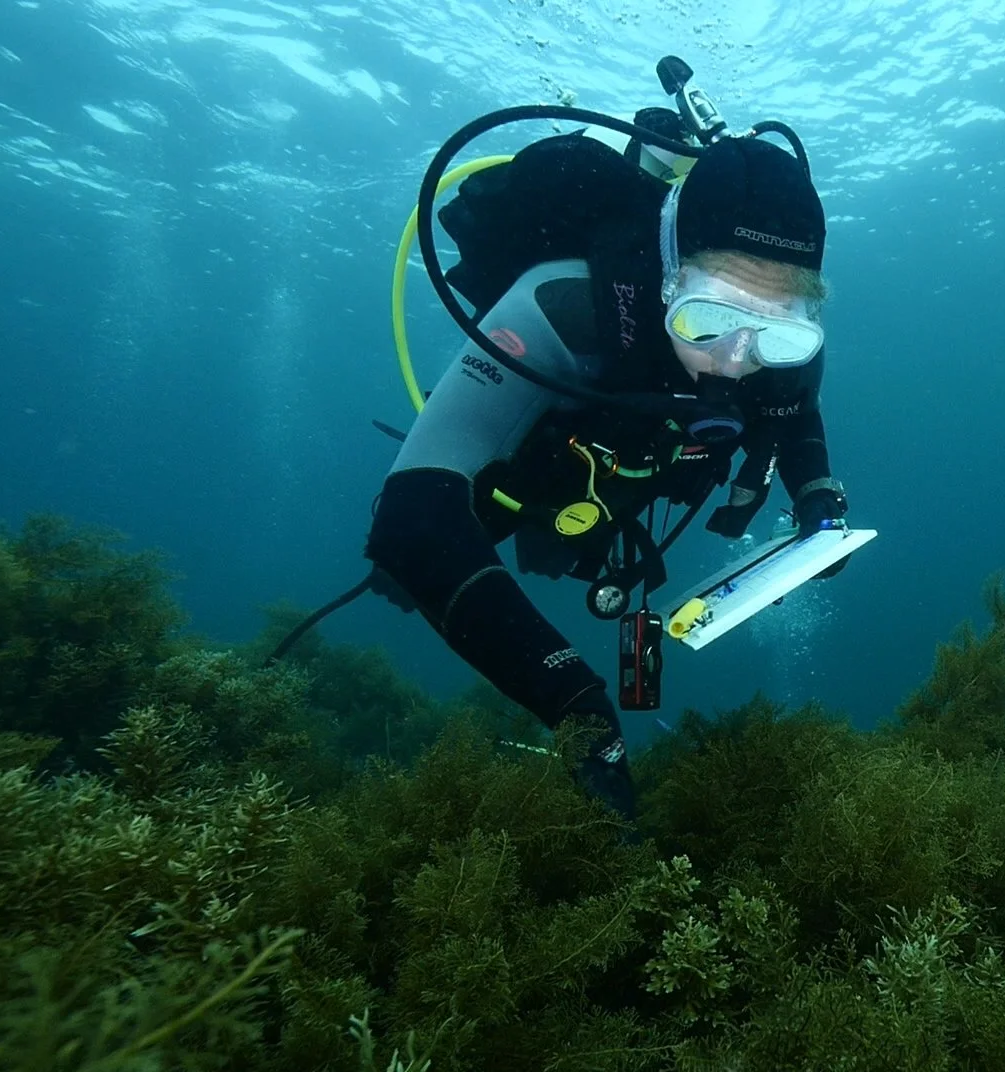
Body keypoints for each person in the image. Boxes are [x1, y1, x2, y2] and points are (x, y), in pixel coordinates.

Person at [364, 121, 851, 823]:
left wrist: (815, 497)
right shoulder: (559, 307)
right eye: (708, 318)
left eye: (778, 330)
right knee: (419, 564)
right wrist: (572, 702)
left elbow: (795, 409)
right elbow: (411, 517)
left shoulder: (784, 353)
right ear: (667, 268)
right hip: (524, 483)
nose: (737, 359)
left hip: (623, 498)